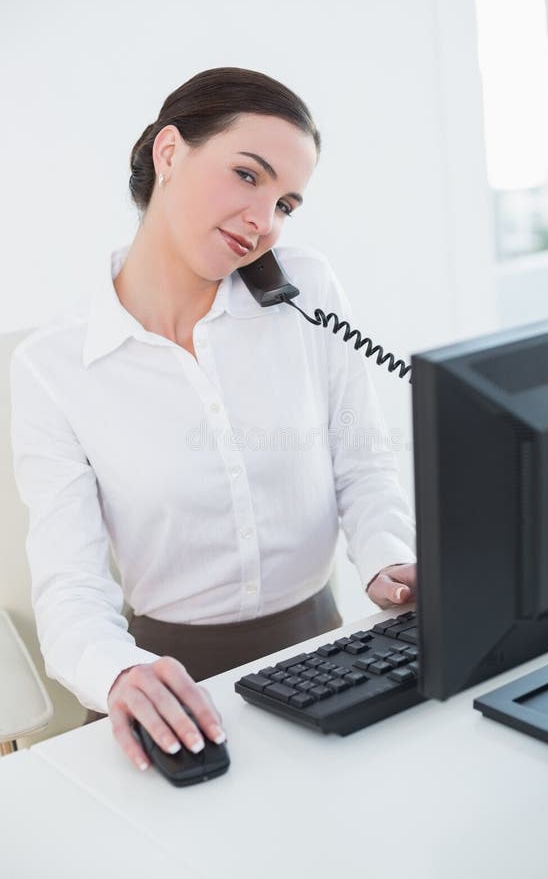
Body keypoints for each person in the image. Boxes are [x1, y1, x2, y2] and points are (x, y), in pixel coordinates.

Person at [10, 66, 417, 773]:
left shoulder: (305, 292)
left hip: (326, 652)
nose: (265, 221)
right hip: (170, 684)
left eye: (288, 202)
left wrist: (387, 558)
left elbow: (363, 461)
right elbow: (69, 582)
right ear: (170, 153)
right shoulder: (55, 364)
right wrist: (116, 673)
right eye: (248, 176)